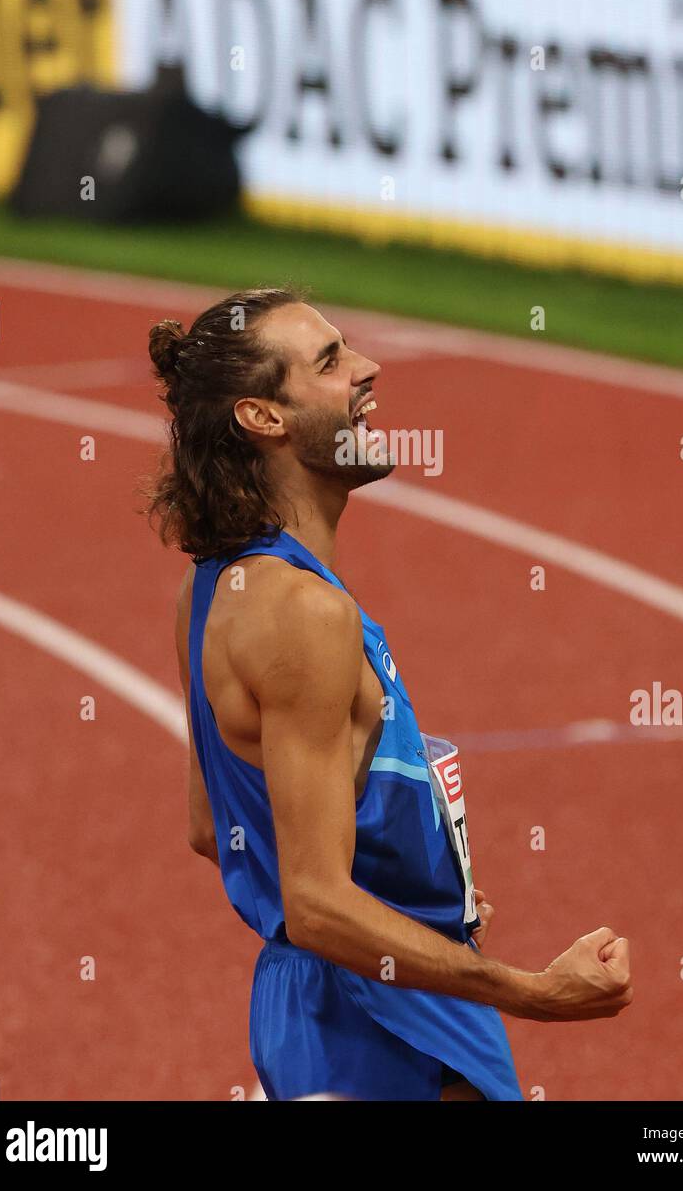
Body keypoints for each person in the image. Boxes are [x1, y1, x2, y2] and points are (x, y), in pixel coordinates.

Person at [147, 286, 633, 1101]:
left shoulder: (211, 594)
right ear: (263, 418)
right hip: (368, 1014)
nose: (368, 370)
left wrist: (416, 877)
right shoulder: (305, 613)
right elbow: (316, 905)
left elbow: (212, 827)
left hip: (340, 999)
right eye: (331, 362)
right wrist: (537, 993)